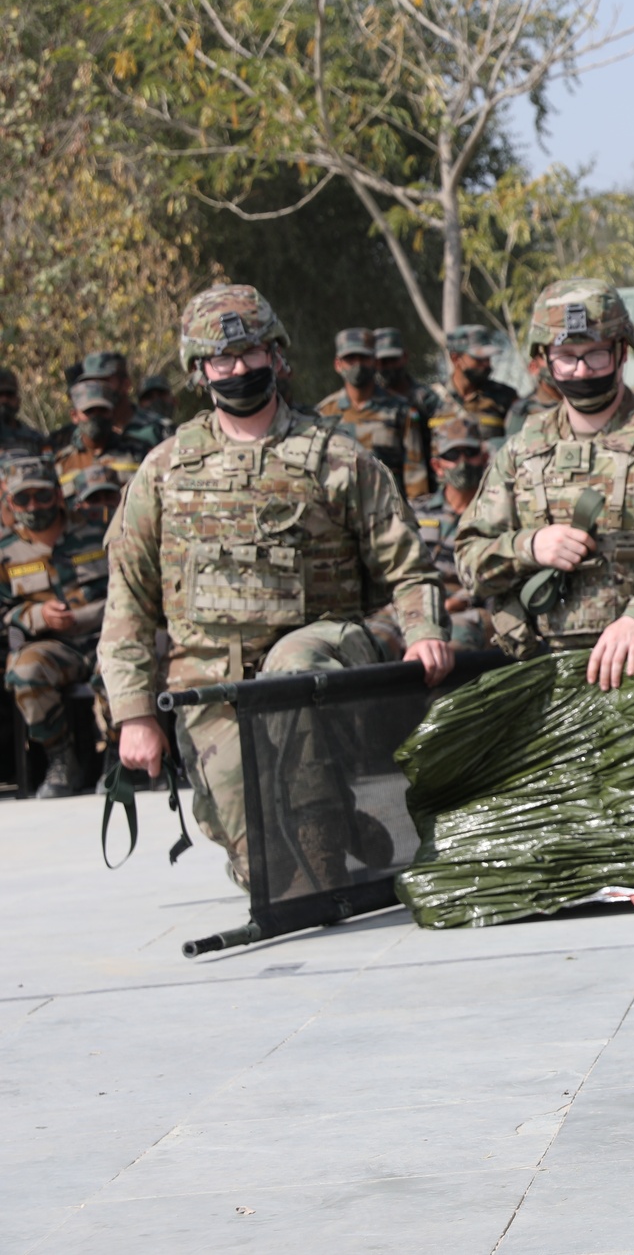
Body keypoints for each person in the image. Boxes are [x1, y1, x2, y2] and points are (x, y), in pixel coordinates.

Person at [100, 284, 452, 887]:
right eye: (222, 359)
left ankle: (320, 821)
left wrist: (423, 632)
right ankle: (327, 819)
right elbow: (128, 601)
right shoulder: (162, 473)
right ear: (199, 369)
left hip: (321, 664)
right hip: (213, 683)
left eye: (253, 353)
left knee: (291, 674)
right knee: (271, 874)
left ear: (277, 356)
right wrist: (134, 713)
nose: (239, 369)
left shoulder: (338, 460)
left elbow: (408, 567)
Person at [454, 278, 634, 682]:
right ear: (543, 359)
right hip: (545, 658)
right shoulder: (522, 448)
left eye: (596, 354)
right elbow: (468, 556)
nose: (582, 370)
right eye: (567, 356)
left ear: (622, 352)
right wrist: (528, 546)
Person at [0, 457, 109, 796]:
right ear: (10, 503)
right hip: (53, 645)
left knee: (121, 666)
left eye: (42, 496)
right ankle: (60, 759)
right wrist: (37, 616)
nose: (34, 506)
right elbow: (4, 610)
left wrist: (93, 613)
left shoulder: (98, 529)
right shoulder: (6, 551)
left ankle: (119, 758)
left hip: (106, 634)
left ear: (59, 496)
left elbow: (133, 584)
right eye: (23, 499)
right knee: (23, 671)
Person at [410, 416, 494, 651]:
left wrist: (457, 601)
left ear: (485, 458)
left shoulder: (498, 514)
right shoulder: (415, 512)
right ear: (437, 466)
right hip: (414, 609)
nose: (463, 462)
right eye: (452, 456)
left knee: (451, 643)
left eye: (470, 453)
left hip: (471, 612)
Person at [318, 327, 429, 500]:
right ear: (338, 364)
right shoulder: (324, 414)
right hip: (339, 514)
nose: (358, 365)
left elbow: (415, 476)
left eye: (364, 358)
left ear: (376, 362)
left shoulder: (401, 411)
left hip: (389, 514)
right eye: (350, 359)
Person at [53, 379, 149, 504]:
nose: (96, 417)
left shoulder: (138, 453)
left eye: (102, 410)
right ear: (74, 416)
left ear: (113, 412)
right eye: (89, 411)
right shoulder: (61, 463)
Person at [435, 324, 518, 443]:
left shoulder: (505, 397)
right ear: (455, 359)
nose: (486, 365)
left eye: (488, 358)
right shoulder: (432, 398)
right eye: (479, 359)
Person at [0, 369, 48, 457]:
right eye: (0, 395)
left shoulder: (35, 439)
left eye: (9, 394)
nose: (4, 400)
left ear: (18, 400)